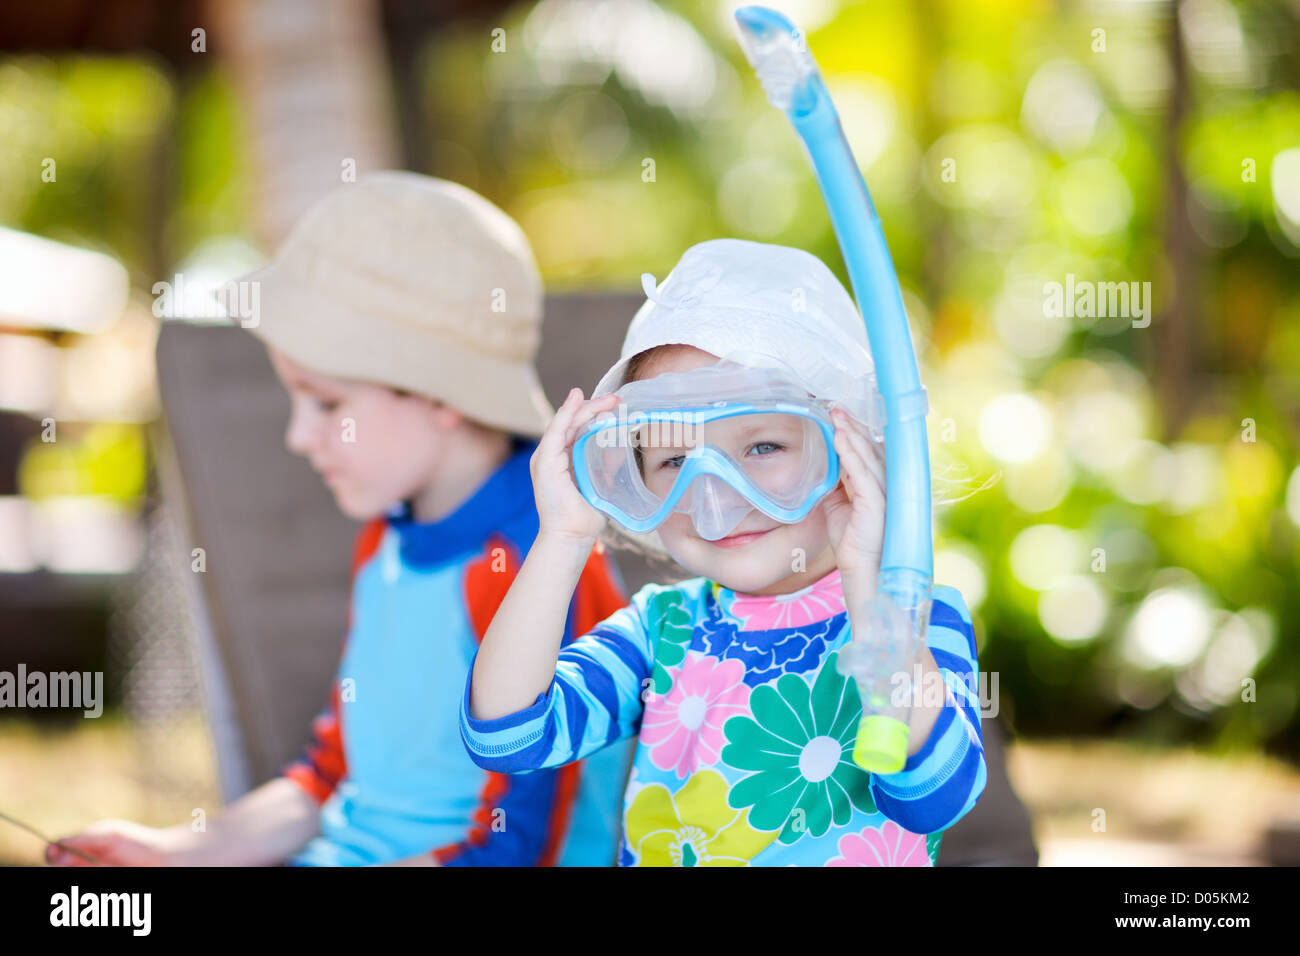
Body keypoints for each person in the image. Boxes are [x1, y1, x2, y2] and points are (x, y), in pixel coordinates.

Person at [48, 172, 632, 867]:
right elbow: (329, 776)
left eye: (325, 403)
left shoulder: (542, 563)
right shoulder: (384, 539)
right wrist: (176, 853)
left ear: (438, 391)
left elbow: (526, 846)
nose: (299, 437)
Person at [461, 238, 987, 866]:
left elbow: (937, 796)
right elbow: (507, 737)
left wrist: (870, 587)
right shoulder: (661, 630)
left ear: (853, 449)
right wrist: (564, 538)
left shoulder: (914, 615)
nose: (715, 496)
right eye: (674, 460)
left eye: (763, 447)